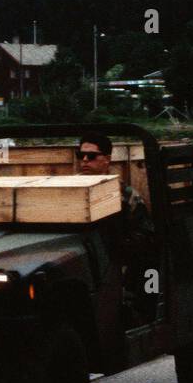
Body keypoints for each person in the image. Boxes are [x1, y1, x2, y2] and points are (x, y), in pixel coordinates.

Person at [77, 133, 158, 324]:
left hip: (115, 263)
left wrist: (118, 246)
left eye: (92, 156)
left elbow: (146, 235)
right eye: (80, 156)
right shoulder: (69, 191)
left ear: (107, 159)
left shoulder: (125, 196)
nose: (85, 161)